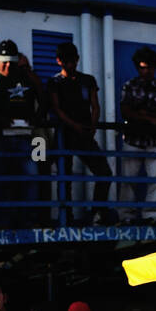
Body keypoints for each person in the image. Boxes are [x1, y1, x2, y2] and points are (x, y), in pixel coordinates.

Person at [46, 42, 113, 225]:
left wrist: (92, 127)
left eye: (74, 61)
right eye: (67, 61)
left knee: (104, 172)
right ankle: (65, 217)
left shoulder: (88, 80)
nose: (71, 65)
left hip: (84, 134)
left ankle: (98, 213)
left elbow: (95, 105)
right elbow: (57, 109)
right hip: (64, 136)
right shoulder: (54, 82)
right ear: (59, 61)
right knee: (64, 178)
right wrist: (76, 126)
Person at [0, 40, 42, 219]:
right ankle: (2, 225)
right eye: (4, 61)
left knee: (31, 179)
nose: (8, 65)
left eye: (11, 61)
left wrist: (36, 116)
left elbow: (44, 100)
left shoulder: (29, 77)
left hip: (30, 139)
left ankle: (28, 224)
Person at [118, 47, 156, 225]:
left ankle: (152, 215)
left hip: (153, 141)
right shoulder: (130, 86)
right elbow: (125, 112)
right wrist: (150, 118)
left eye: (149, 67)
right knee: (128, 180)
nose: (145, 71)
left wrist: (140, 114)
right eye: (142, 67)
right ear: (137, 67)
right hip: (133, 139)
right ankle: (127, 216)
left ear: (155, 68)